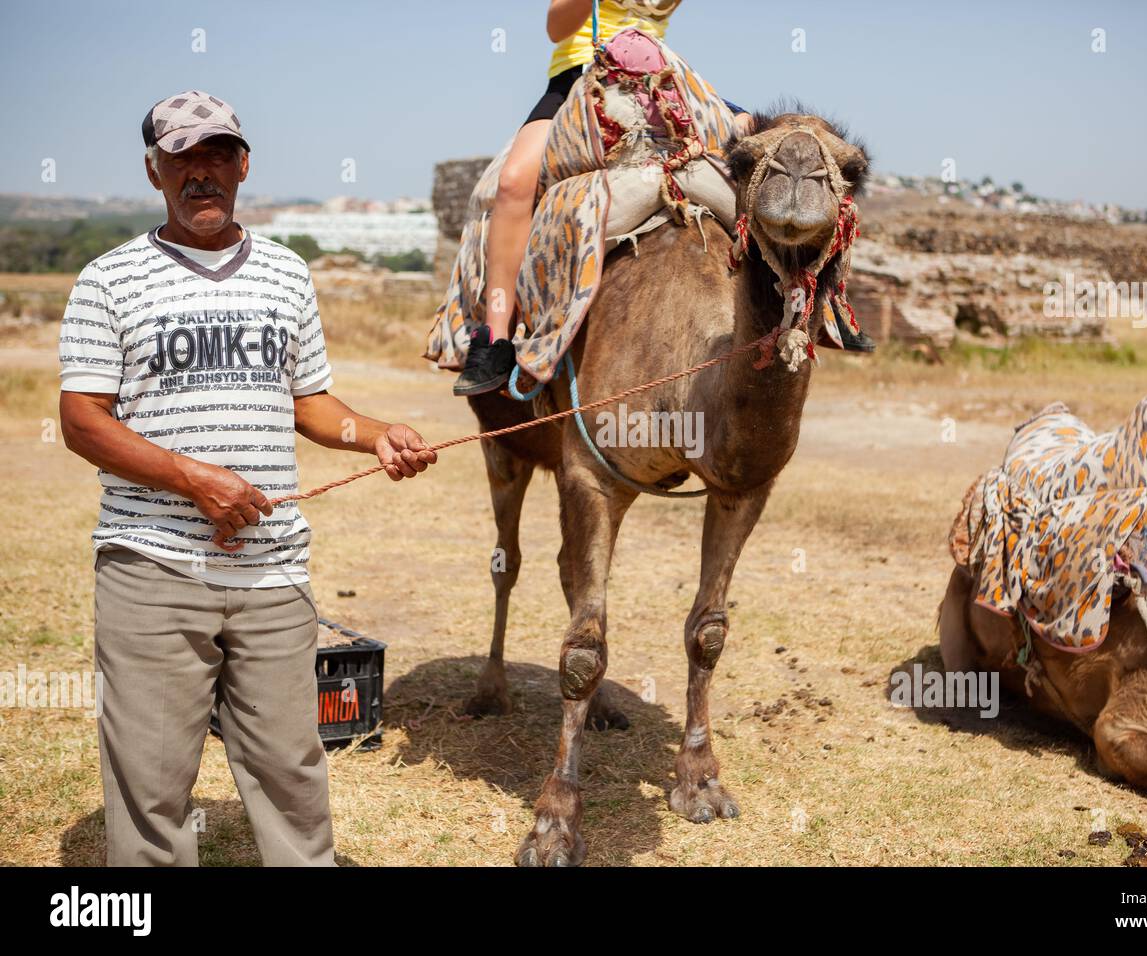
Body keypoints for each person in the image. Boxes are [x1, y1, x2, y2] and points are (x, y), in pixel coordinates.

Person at [58, 90, 437, 866]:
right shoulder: (110, 279)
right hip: (152, 566)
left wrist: (374, 436)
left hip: (272, 572)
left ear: (244, 165)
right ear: (154, 171)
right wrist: (192, 479)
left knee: (291, 772)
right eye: (183, 158)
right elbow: (81, 420)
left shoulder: (286, 274)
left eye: (218, 155)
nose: (202, 174)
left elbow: (309, 401)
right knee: (153, 781)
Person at [452, 0, 686, 396]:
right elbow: (557, 28)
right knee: (513, 183)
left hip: (655, 82)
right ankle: (495, 335)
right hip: (579, 77)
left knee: (740, 154)